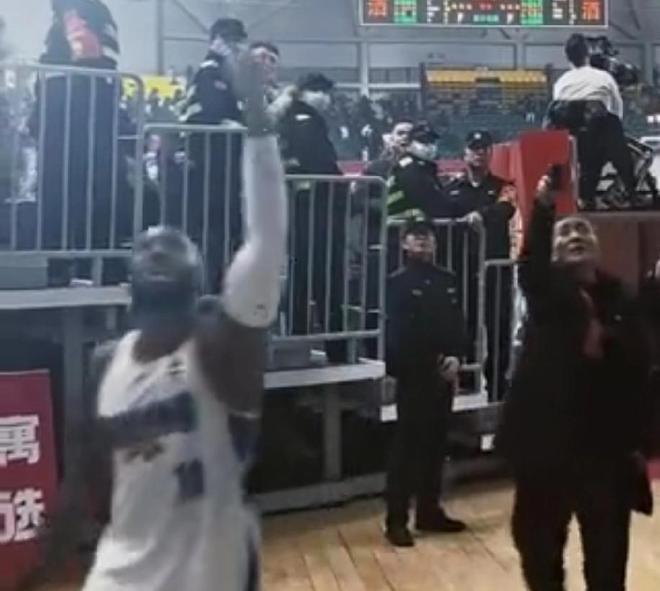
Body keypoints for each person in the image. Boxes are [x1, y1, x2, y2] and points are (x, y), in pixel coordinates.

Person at [21, 54, 287, 591]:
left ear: (198, 279)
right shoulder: (106, 361)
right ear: (130, 281)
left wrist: (257, 121)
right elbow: (83, 472)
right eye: (147, 246)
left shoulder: (222, 345)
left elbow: (266, 238)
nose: (158, 249)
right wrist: (45, 562)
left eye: (172, 245)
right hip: (122, 568)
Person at [497, 173, 653, 591]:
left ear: (598, 246)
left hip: (604, 449)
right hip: (545, 447)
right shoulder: (546, 294)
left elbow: (641, 364)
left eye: (583, 230)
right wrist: (544, 207)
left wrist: (641, 443)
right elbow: (530, 267)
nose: (576, 236)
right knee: (539, 552)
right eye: (565, 233)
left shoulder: (620, 297)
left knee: (608, 558)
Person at [385, 220, 468, 547]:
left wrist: (457, 356)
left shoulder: (448, 280)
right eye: (416, 237)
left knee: (436, 445)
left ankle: (429, 512)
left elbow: (457, 323)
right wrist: (426, 363)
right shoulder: (397, 283)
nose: (422, 242)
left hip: (444, 373)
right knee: (406, 449)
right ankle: (396, 520)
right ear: (404, 244)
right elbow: (399, 334)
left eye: (427, 237)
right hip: (414, 373)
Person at [280, 73, 349, 362]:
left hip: (305, 209)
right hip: (315, 210)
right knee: (325, 281)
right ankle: (336, 350)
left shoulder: (292, 118)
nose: (326, 99)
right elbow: (322, 163)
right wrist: (342, 184)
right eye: (323, 92)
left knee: (303, 279)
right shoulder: (305, 121)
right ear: (310, 92)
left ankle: (297, 346)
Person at [447, 130, 518, 400]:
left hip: (494, 269)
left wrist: (481, 216)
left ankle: (497, 383)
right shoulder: (452, 187)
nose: (479, 153)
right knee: (463, 326)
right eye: (474, 148)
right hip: (463, 270)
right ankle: (466, 379)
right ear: (464, 153)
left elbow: (506, 209)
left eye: (485, 148)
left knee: (498, 326)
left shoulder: (504, 186)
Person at [181, 18, 247, 286]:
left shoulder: (226, 74)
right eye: (234, 42)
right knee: (215, 234)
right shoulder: (211, 73)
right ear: (219, 41)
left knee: (225, 233)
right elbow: (211, 114)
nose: (238, 48)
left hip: (223, 166)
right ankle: (210, 291)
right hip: (213, 166)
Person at [552, 33, 635, 207]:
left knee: (592, 149)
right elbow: (617, 111)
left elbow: (557, 111)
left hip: (571, 140)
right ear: (587, 54)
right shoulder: (604, 78)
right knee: (610, 131)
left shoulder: (560, 83)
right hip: (599, 134)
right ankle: (630, 191)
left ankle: (584, 196)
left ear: (568, 58)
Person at [387, 122, 451, 220]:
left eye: (431, 141)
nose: (428, 145)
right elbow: (434, 204)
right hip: (399, 223)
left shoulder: (426, 168)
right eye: (423, 141)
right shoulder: (409, 168)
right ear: (410, 143)